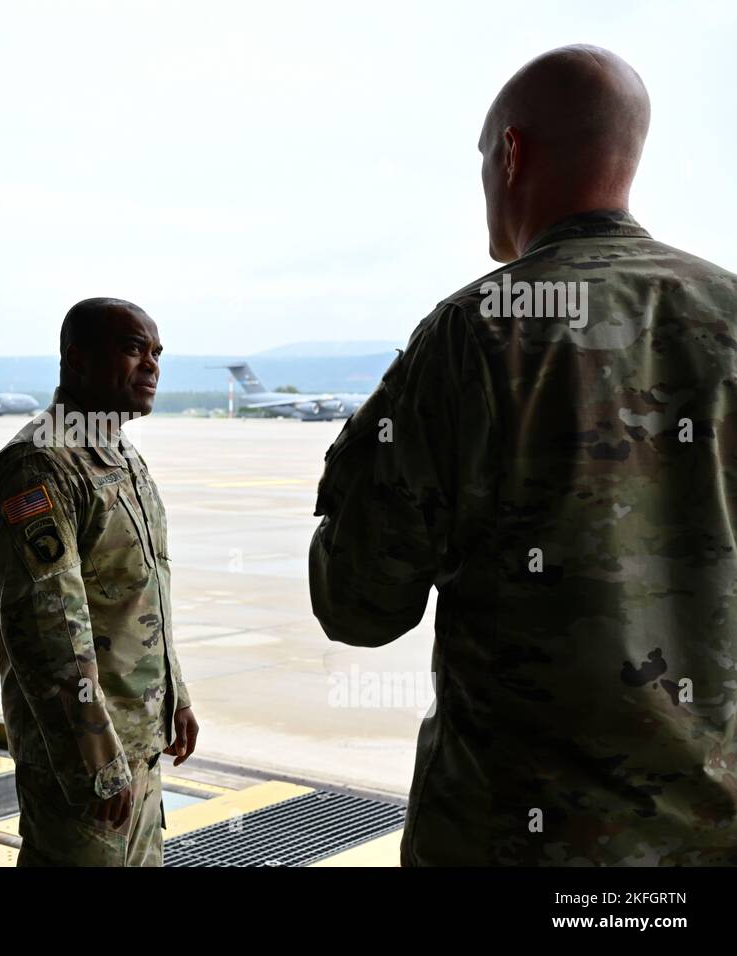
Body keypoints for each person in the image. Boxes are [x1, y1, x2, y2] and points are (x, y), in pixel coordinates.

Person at [310, 45, 737, 865]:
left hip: (517, 838)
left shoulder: (475, 333)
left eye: (482, 159)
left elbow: (359, 604)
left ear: (511, 152)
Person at [0, 297, 198, 866]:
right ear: (76, 360)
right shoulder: (41, 465)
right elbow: (49, 628)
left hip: (140, 744)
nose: (151, 365)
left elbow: (140, 596)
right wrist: (95, 758)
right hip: (84, 757)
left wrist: (176, 697)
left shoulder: (119, 455)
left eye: (156, 353)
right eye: (132, 349)